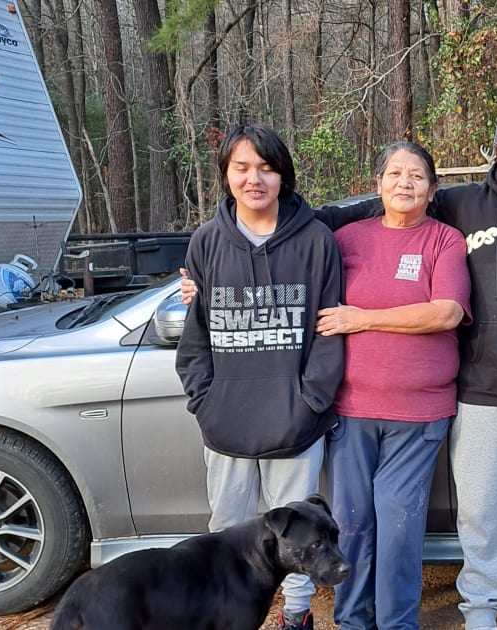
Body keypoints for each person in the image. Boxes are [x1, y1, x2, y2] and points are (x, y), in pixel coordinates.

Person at [315, 96, 497, 630]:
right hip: (482, 393)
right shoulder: (461, 206)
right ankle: (481, 613)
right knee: (480, 519)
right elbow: (385, 211)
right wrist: (267, 236)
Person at [175, 123, 345, 630]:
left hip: (295, 423)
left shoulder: (315, 241)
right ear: (226, 175)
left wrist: (311, 400)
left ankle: (296, 616)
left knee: (301, 538)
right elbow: (196, 335)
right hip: (225, 424)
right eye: (242, 168)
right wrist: (204, 399)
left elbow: (329, 331)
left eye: (266, 168)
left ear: (283, 176)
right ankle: (228, 618)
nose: (255, 179)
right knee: (227, 530)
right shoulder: (206, 243)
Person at [318, 141, 471, 630]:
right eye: (395, 174)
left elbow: (445, 311)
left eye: (417, 176)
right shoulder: (346, 239)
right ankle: (352, 621)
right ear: (378, 183)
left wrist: (362, 319)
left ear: (432, 189)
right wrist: (201, 282)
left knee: (399, 526)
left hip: (419, 415)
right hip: (351, 409)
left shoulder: (444, 241)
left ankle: (397, 623)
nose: (405, 183)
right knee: (353, 524)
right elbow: (288, 265)